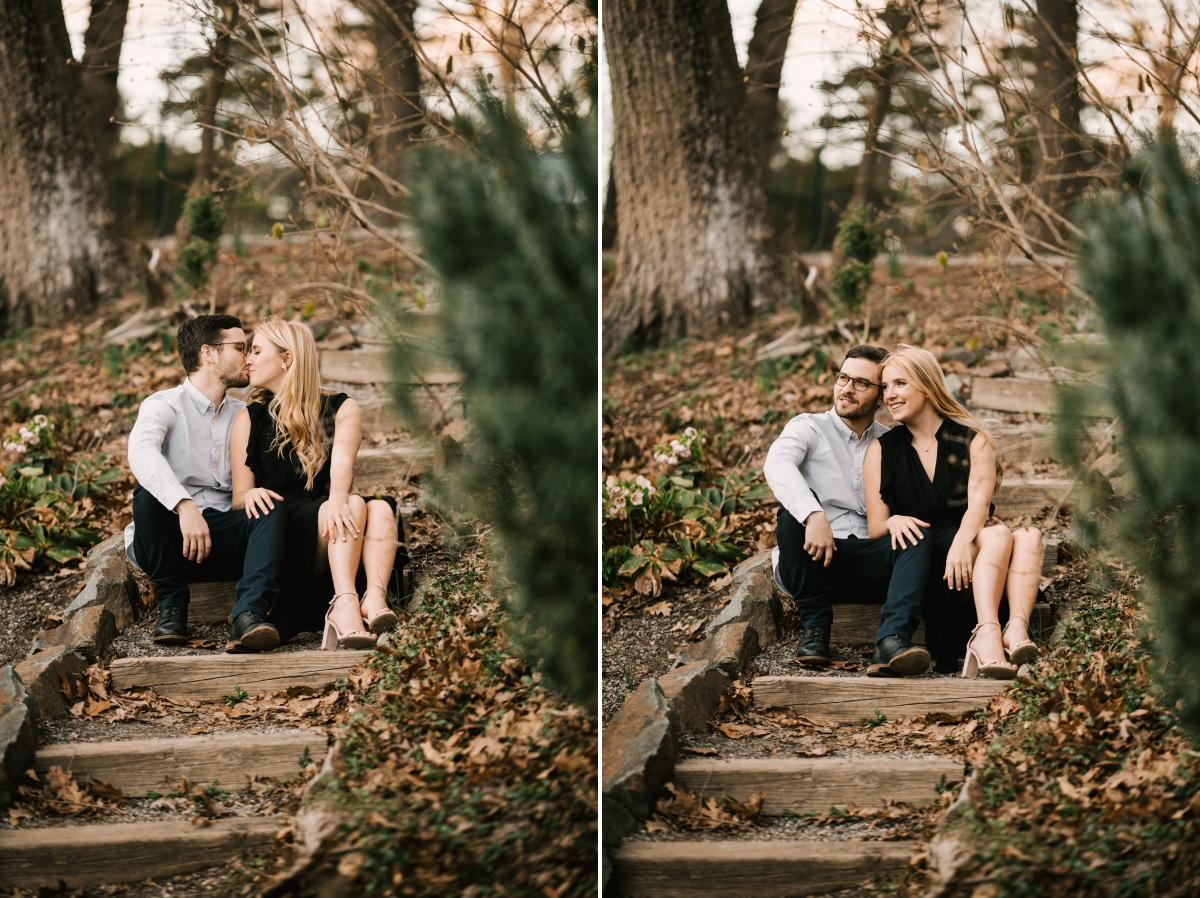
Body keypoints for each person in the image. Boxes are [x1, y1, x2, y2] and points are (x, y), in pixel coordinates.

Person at [863, 345, 1043, 678]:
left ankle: (1014, 630)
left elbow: (978, 505)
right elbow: (875, 527)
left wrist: (962, 542)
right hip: (922, 554)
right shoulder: (881, 450)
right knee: (998, 535)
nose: (889, 395)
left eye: (900, 383)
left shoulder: (974, 439)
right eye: (885, 387)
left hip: (967, 547)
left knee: (1030, 536)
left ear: (927, 385)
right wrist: (894, 520)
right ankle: (987, 633)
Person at [229, 319, 407, 650]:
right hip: (285, 532)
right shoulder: (249, 418)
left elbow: (342, 465)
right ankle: (345, 603)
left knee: (382, 507)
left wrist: (337, 498)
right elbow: (239, 497)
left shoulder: (341, 407)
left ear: (287, 358)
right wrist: (251, 493)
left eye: (256, 351)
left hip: (336, 521)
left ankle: (373, 598)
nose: (247, 360)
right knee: (354, 503)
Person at [764, 345, 934, 677]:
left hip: (871, 562)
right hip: (812, 563)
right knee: (790, 513)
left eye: (861, 383)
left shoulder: (891, 442)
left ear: (881, 396)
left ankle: (891, 641)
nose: (846, 388)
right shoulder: (809, 427)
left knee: (917, 535)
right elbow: (777, 464)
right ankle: (815, 630)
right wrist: (813, 515)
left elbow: (921, 497)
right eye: (843, 378)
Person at [125, 314, 287, 652]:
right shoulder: (164, 405)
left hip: (223, 538)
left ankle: (248, 615)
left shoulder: (244, 413)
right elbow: (141, 452)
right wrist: (184, 506)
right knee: (147, 492)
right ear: (209, 353)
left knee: (269, 507)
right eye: (240, 347)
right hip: (167, 542)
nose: (248, 357)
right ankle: (172, 607)